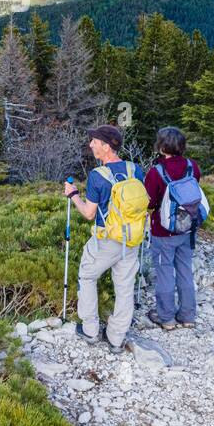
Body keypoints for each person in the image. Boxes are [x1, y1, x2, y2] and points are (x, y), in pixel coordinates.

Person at [62, 124, 145, 353]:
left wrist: (73, 195)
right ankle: (116, 338)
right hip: (132, 239)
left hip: (106, 240)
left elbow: (89, 213)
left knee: (87, 277)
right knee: (125, 288)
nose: (91, 145)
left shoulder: (97, 176)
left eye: (95, 142)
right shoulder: (135, 170)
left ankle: (90, 330)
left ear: (106, 147)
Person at [143, 126, 201, 330]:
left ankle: (166, 317)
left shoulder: (156, 172)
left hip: (163, 230)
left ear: (161, 147)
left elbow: (149, 203)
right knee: (185, 270)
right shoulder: (192, 166)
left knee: (165, 271)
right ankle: (188, 316)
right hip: (187, 227)